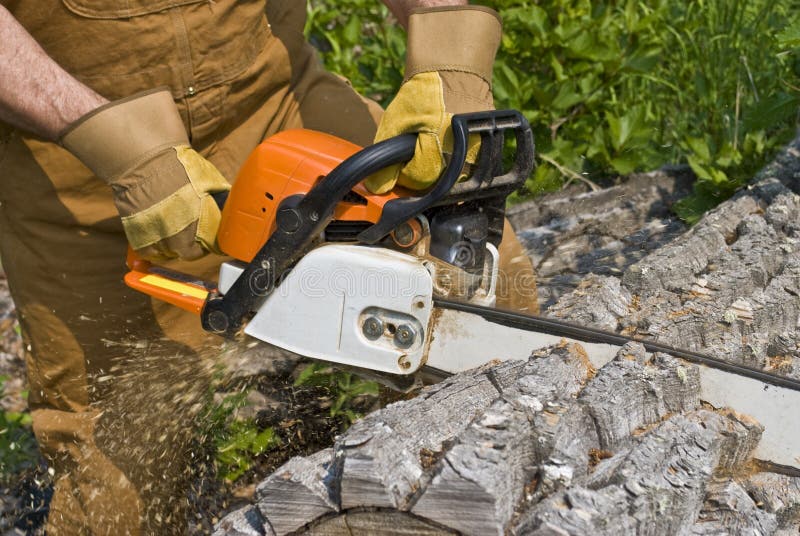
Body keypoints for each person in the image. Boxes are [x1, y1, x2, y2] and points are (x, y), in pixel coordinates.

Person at [0, 0, 537, 532]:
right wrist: (111, 145)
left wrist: (451, 55)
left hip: (273, 105)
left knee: (479, 285)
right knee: (117, 465)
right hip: (75, 162)